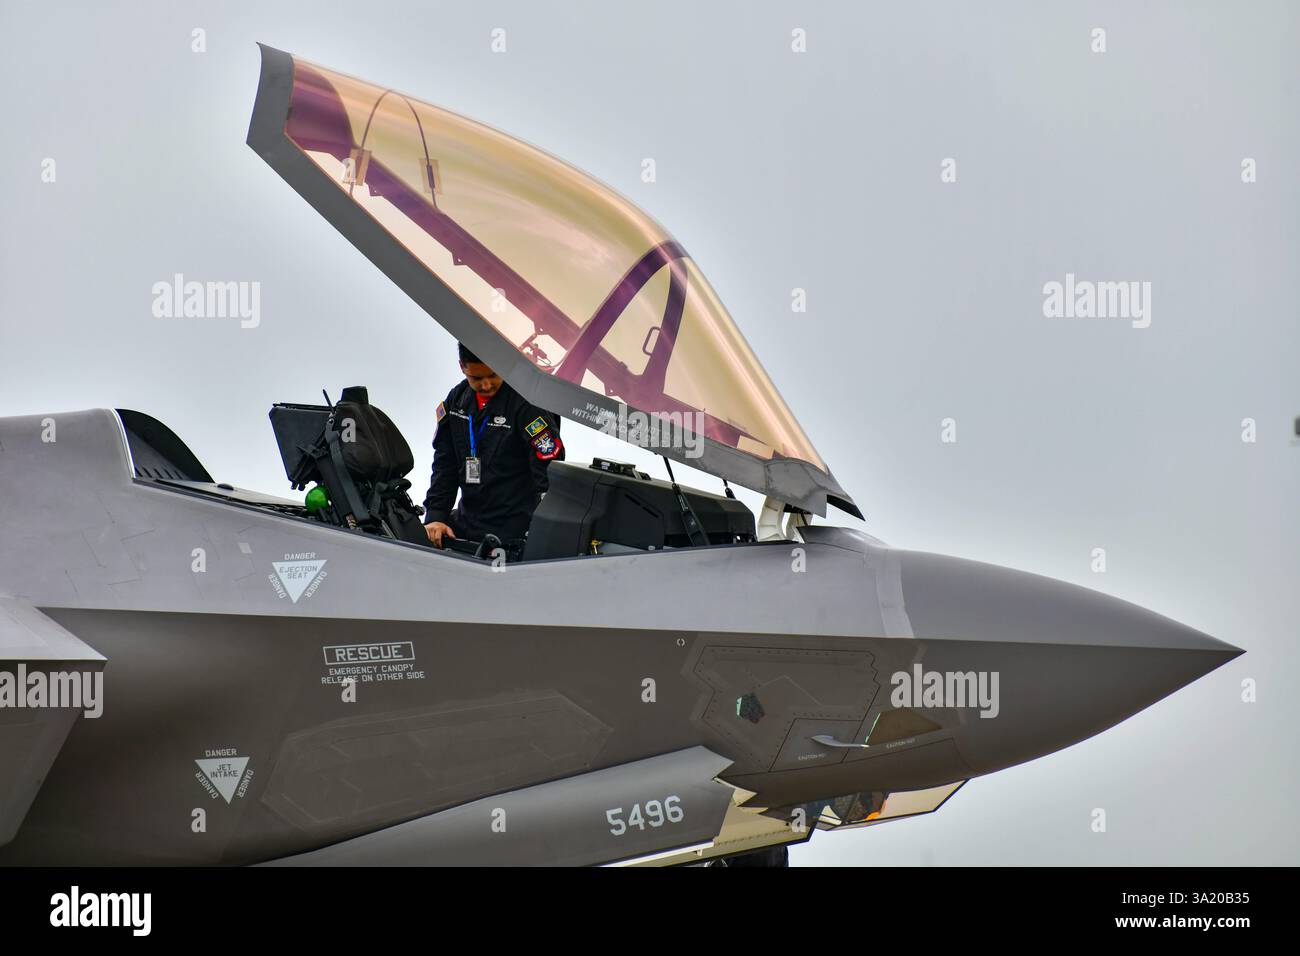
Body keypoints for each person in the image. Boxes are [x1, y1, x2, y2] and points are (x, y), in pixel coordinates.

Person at [422, 343, 564, 553]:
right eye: (476, 379)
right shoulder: (457, 400)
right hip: (464, 524)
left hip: (513, 533)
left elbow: (548, 475)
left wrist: (544, 533)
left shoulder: (528, 405)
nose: (487, 385)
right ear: (462, 367)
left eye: (493, 375)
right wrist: (435, 517)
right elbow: (445, 464)